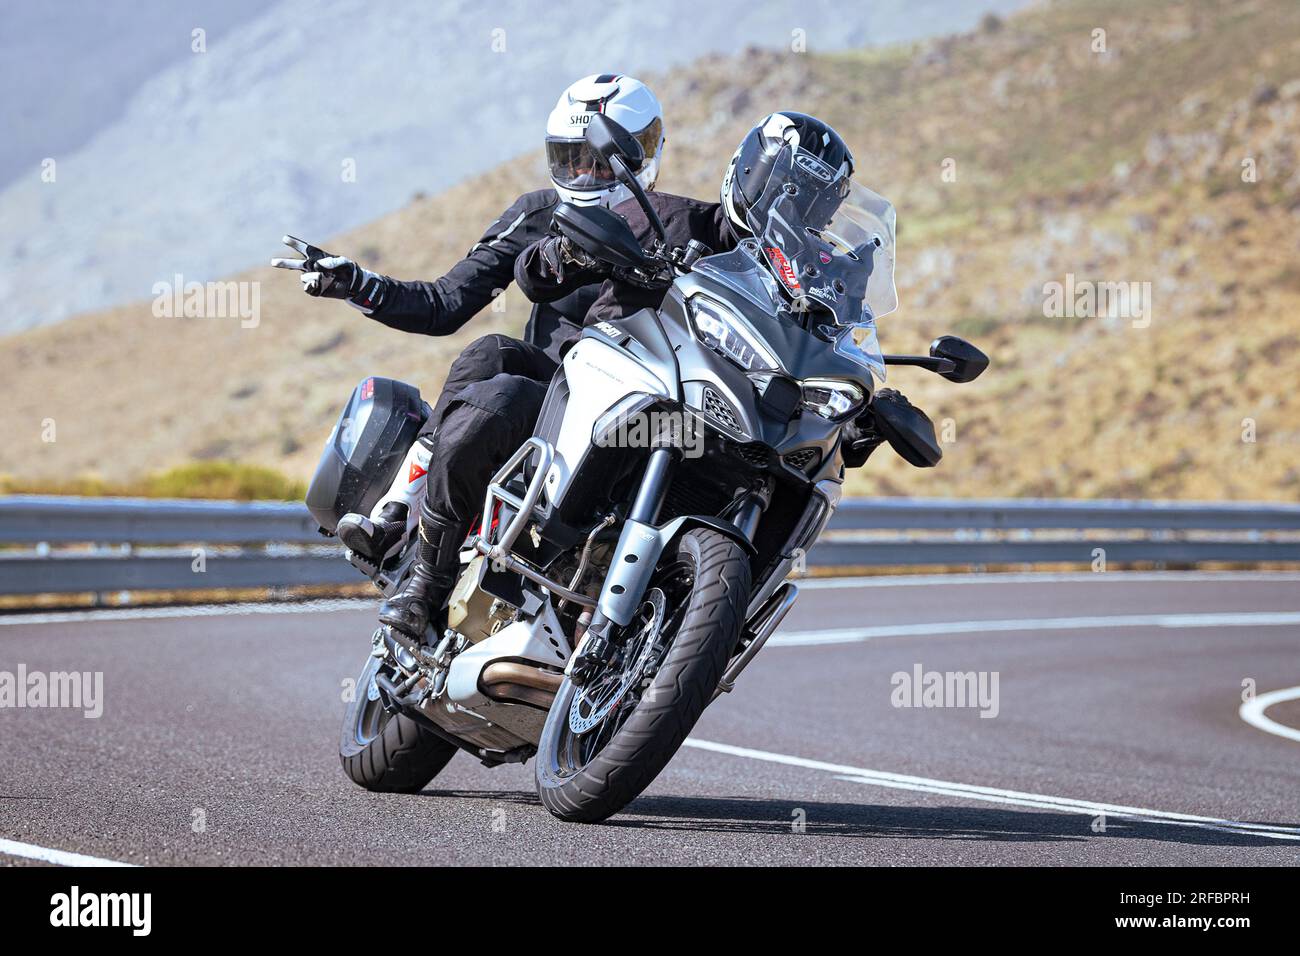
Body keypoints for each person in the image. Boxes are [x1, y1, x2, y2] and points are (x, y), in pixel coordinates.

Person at [273, 74, 665, 641]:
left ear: (642, 155)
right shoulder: (538, 213)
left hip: (632, 419)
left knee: (502, 387)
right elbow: (445, 303)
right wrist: (358, 283)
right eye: (571, 159)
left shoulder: (683, 228)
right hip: (550, 400)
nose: (586, 175)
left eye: (602, 163)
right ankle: (405, 538)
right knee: (492, 357)